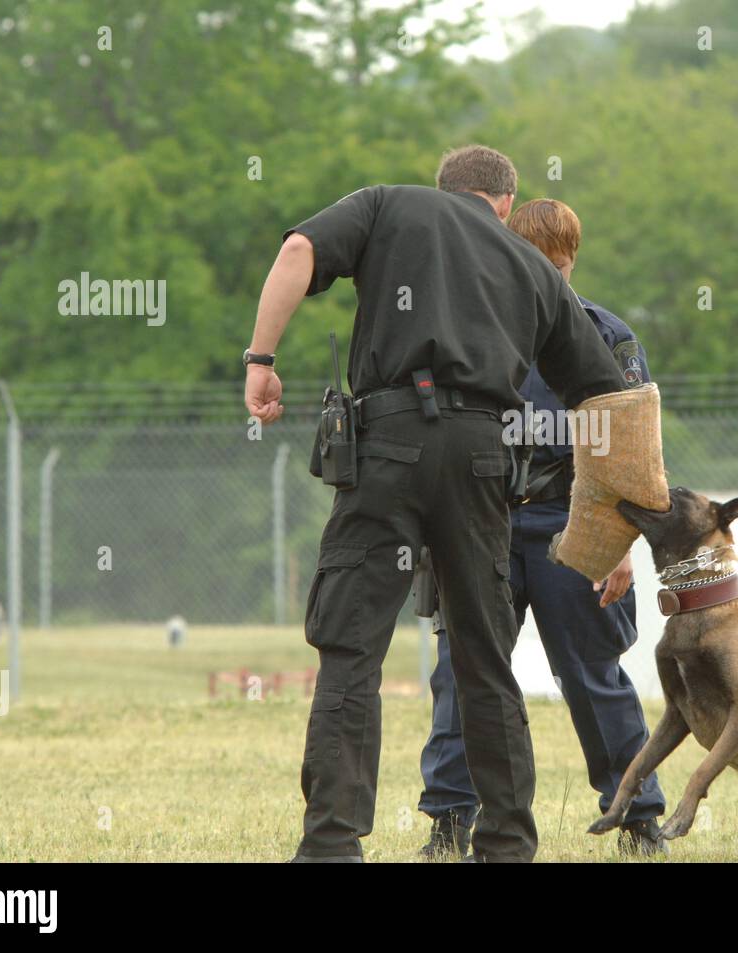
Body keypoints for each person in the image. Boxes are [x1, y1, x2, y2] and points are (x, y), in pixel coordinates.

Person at [243, 146, 626, 863]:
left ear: (445, 186)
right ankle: (507, 842)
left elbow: (298, 248)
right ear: (506, 205)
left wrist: (261, 361)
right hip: (484, 457)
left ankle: (331, 843)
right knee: (485, 656)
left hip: (386, 446)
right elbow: (607, 398)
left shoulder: (388, 203)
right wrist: (618, 525)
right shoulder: (531, 265)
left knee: (352, 646)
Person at [417, 199, 667, 860]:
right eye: (535, 266)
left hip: (572, 521)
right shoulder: (466, 333)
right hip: (484, 522)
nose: (549, 281)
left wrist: (620, 540)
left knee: (591, 672)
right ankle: (448, 817)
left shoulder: (604, 335)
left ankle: (637, 813)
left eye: (558, 267)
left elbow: (632, 447)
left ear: (573, 261)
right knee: (463, 669)